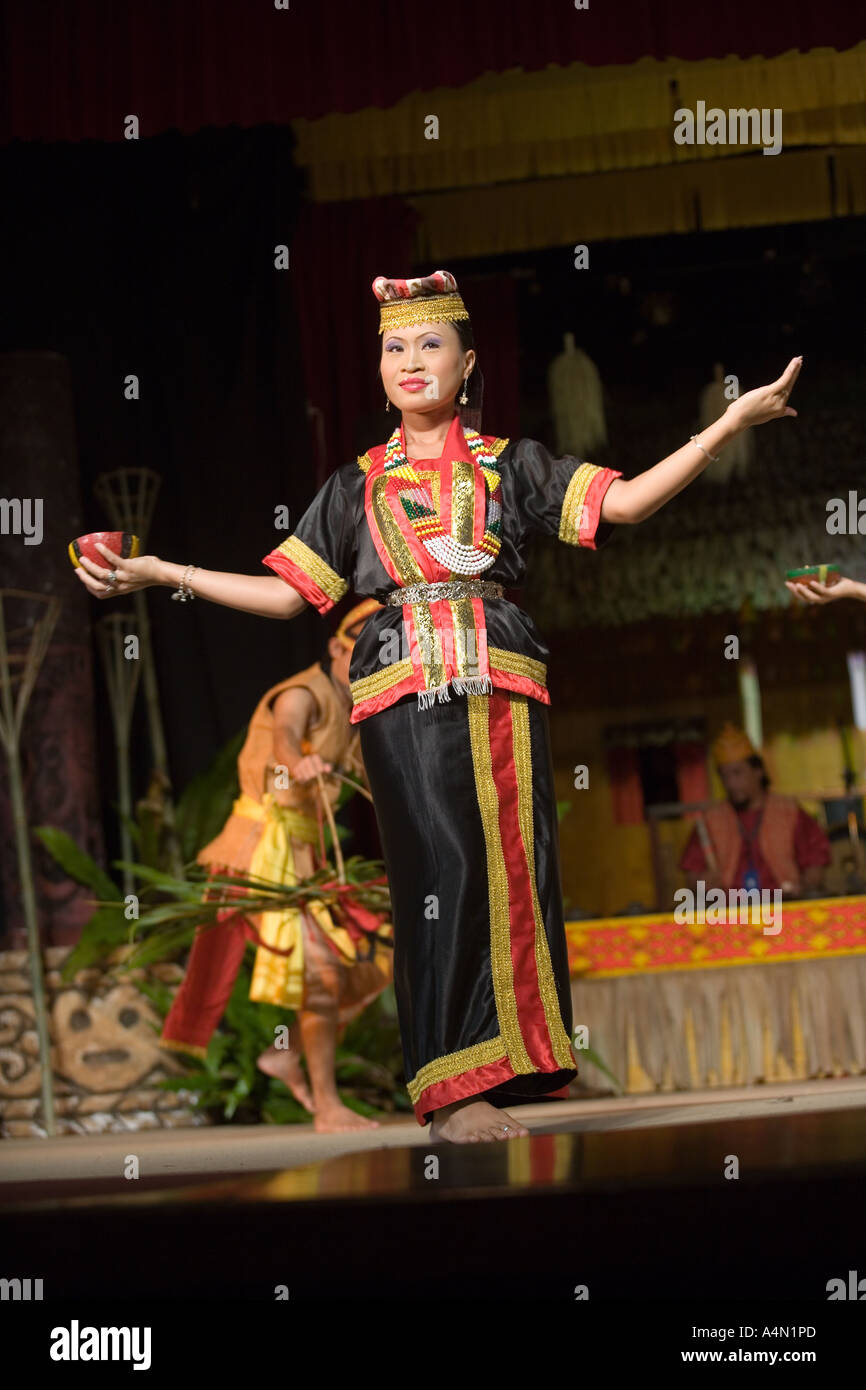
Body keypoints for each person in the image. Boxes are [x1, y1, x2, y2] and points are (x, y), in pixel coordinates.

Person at [74, 268, 803, 1142]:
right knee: (443, 868)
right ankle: (449, 1089)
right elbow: (283, 594)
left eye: (429, 344)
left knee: (514, 869)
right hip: (405, 690)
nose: (410, 361)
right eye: (393, 348)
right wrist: (161, 571)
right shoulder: (356, 487)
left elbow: (630, 501)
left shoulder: (512, 466)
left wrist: (727, 422)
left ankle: (503, 1067)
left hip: (502, 684)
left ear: (466, 362)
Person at [160, 599, 393, 1134]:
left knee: (378, 956)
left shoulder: (355, 710)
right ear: (337, 648)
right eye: (362, 656)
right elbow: (287, 737)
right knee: (322, 973)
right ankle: (328, 1107)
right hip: (266, 845)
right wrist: (296, 761)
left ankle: (285, 1056)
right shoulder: (302, 692)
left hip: (307, 854)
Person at [680, 722, 831, 897]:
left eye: (737, 773)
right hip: (731, 911)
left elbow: (815, 861)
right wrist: (702, 883)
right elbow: (692, 873)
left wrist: (805, 886)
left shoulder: (788, 811)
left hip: (783, 905)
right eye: (725, 776)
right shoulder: (712, 819)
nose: (731, 783)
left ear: (758, 771)